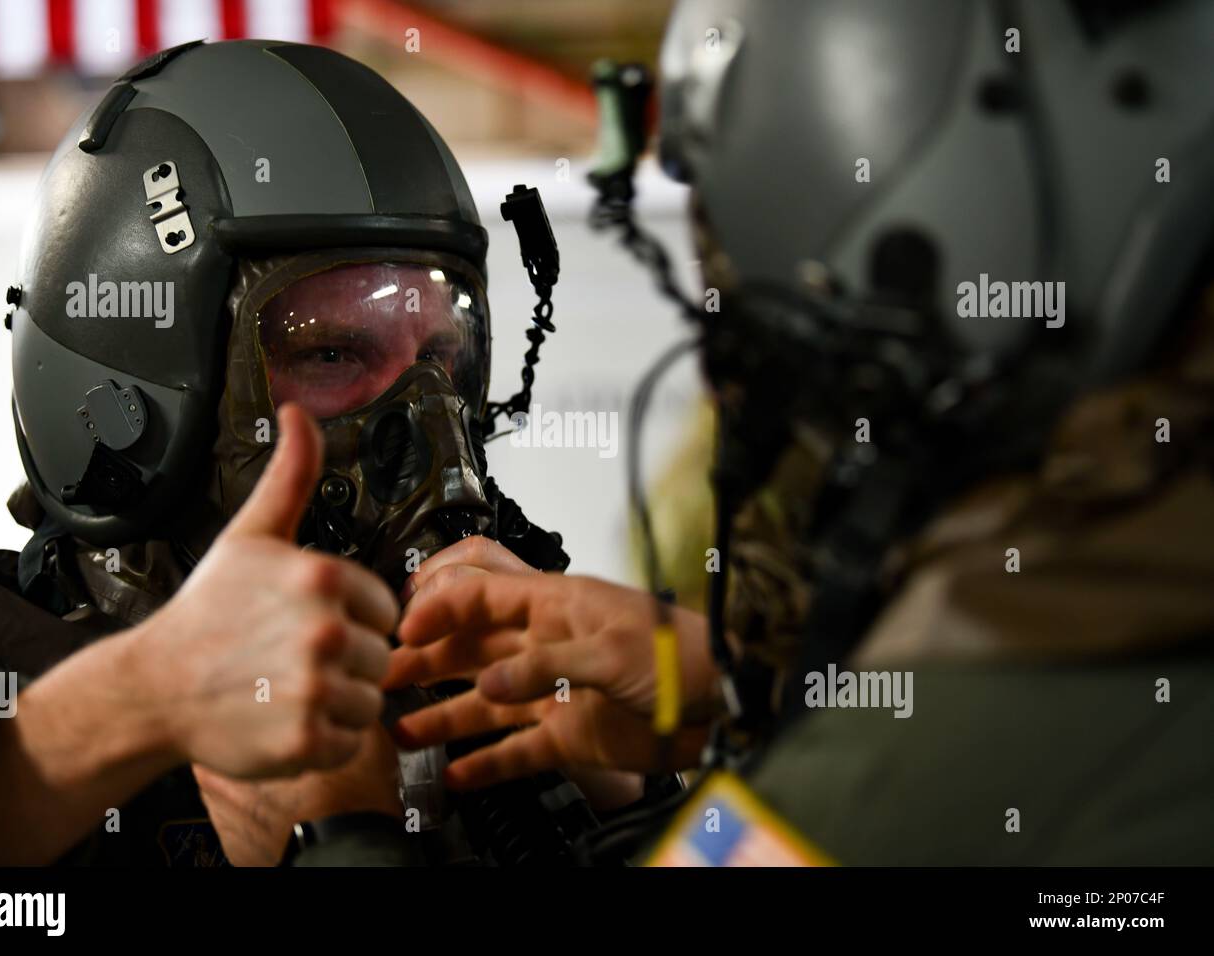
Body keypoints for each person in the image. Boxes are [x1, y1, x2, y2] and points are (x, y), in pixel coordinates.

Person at [370, 0, 1214, 865]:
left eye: (750, 295)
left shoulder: (917, 768)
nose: (731, 365)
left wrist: (324, 818)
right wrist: (747, 694)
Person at [0, 38, 620, 867]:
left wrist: (634, 803)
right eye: (331, 355)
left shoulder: (512, 700)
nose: (428, 424)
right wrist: (131, 711)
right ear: (132, 388)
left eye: (440, 360)